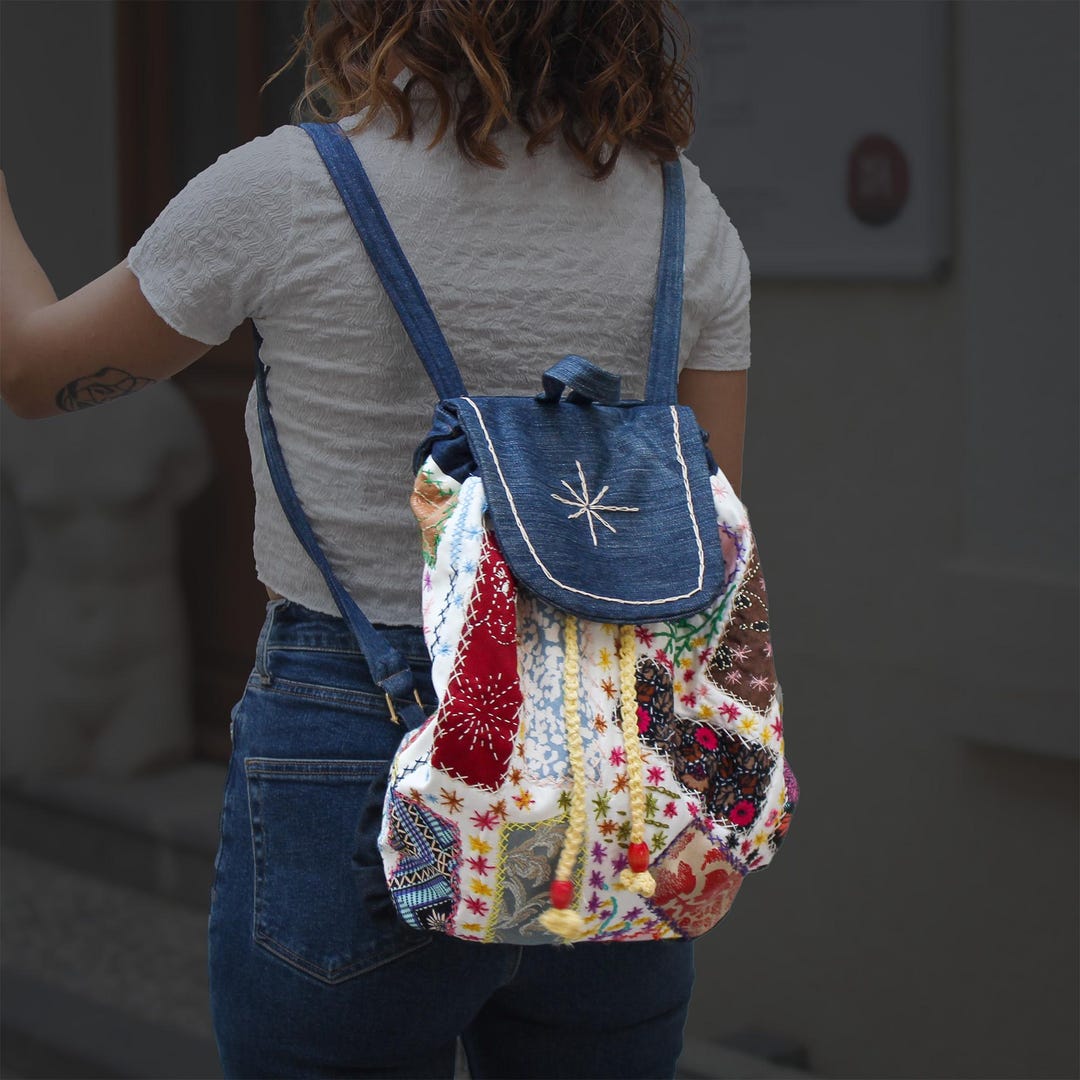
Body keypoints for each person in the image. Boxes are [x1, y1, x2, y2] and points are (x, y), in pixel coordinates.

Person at [0, 2, 753, 1075]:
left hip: (355, 727)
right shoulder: (686, 213)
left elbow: (31, 371)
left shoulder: (287, 189)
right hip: (611, 758)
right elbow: (702, 528)